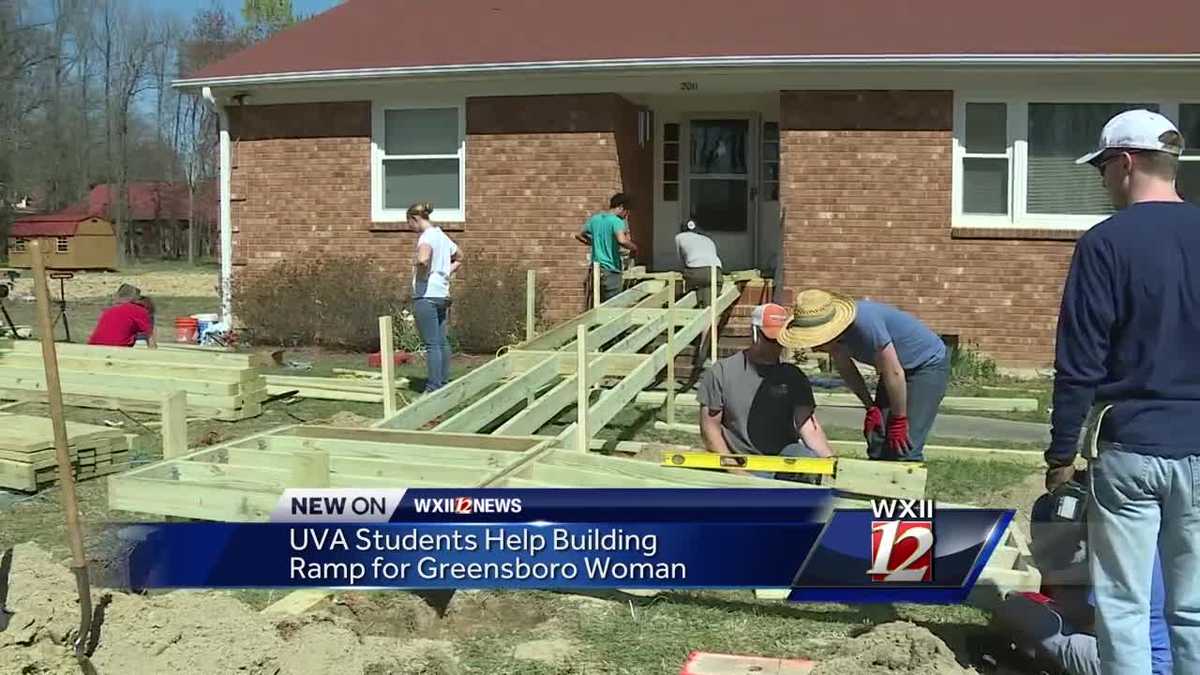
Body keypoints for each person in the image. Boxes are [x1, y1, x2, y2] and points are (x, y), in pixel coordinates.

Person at [1044, 109, 1200, 674]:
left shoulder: (1105, 243)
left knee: (1125, 606)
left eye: (1103, 169)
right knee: (1193, 609)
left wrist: (1062, 453)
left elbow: (1079, 361)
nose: (1104, 181)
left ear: (1126, 163)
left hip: (1131, 447)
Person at [991, 475, 1172, 675]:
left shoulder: (1114, 552)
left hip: (1133, 665)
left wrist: (1046, 605)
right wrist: (1048, 579)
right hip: (1171, 659)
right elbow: (1085, 574)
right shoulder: (1151, 540)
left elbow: (1089, 624)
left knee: (1013, 609)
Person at [776, 289, 948, 462]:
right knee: (877, 438)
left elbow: (894, 372)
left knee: (904, 445)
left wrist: (899, 419)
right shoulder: (836, 339)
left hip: (926, 365)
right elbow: (847, 370)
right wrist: (870, 407)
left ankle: (906, 481)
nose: (814, 348)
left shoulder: (866, 324)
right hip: (895, 372)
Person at [697, 303, 834, 479]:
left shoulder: (793, 376)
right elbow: (710, 428)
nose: (776, 346)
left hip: (783, 459)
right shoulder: (722, 372)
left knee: (807, 461)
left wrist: (831, 462)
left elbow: (807, 426)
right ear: (754, 333)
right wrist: (734, 469)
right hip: (743, 461)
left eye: (781, 340)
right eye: (770, 339)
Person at [408, 201, 462, 393]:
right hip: (442, 294)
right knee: (441, 341)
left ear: (415, 219)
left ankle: (433, 387)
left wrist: (421, 276)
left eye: (410, 224)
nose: (411, 229)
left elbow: (423, 260)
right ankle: (444, 382)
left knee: (431, 344)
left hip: (427, 295)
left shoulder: (426, 238)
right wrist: (446, 271)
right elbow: (459, 257)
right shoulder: (442, 236)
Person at [576, 193, 638, 304]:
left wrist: (592, 242)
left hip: (595, 270)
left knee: (595, 304)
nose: (627, 215)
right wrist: (634, 248)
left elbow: (579, 235)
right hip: (611, 270)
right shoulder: (616, 221)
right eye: (627, 211)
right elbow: (622, 240)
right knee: (613, 306)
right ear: (621, 207)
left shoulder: (595, 219)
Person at [88, 283, 156, 348]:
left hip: (93, 346)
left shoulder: (109, 310)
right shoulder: (141, 311)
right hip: (117, 349)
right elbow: (150, 340)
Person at [675, 219, 722, 308]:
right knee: (709, 301)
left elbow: (679, 260)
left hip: (696, 273)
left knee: (689, 289)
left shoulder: (679, 237)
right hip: (716, 273)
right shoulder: (708, 239)